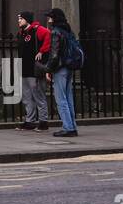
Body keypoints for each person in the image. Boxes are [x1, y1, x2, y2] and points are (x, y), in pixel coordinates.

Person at [44, 8, 80, 138]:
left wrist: (48, 70)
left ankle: (68, 127)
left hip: (60, 69)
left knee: (60, 99)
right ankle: (72, 126)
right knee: (68, 98)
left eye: (50, 17)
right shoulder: (68, 31)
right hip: (69, 67)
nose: (48, 20)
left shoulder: (56, 32)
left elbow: (54, 55)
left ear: (54, 18)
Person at [15, 11, 51, 131]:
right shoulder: (21, 33)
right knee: (27, 98)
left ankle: (43, 122)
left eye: (21, 18)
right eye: (18, 19)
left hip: (35, 70)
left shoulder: (37, 30)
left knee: (38, 96)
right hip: (24, 70)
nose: (19, 21)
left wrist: (42, 51)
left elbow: (48, 36)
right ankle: (30, 121)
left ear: (27, 19)